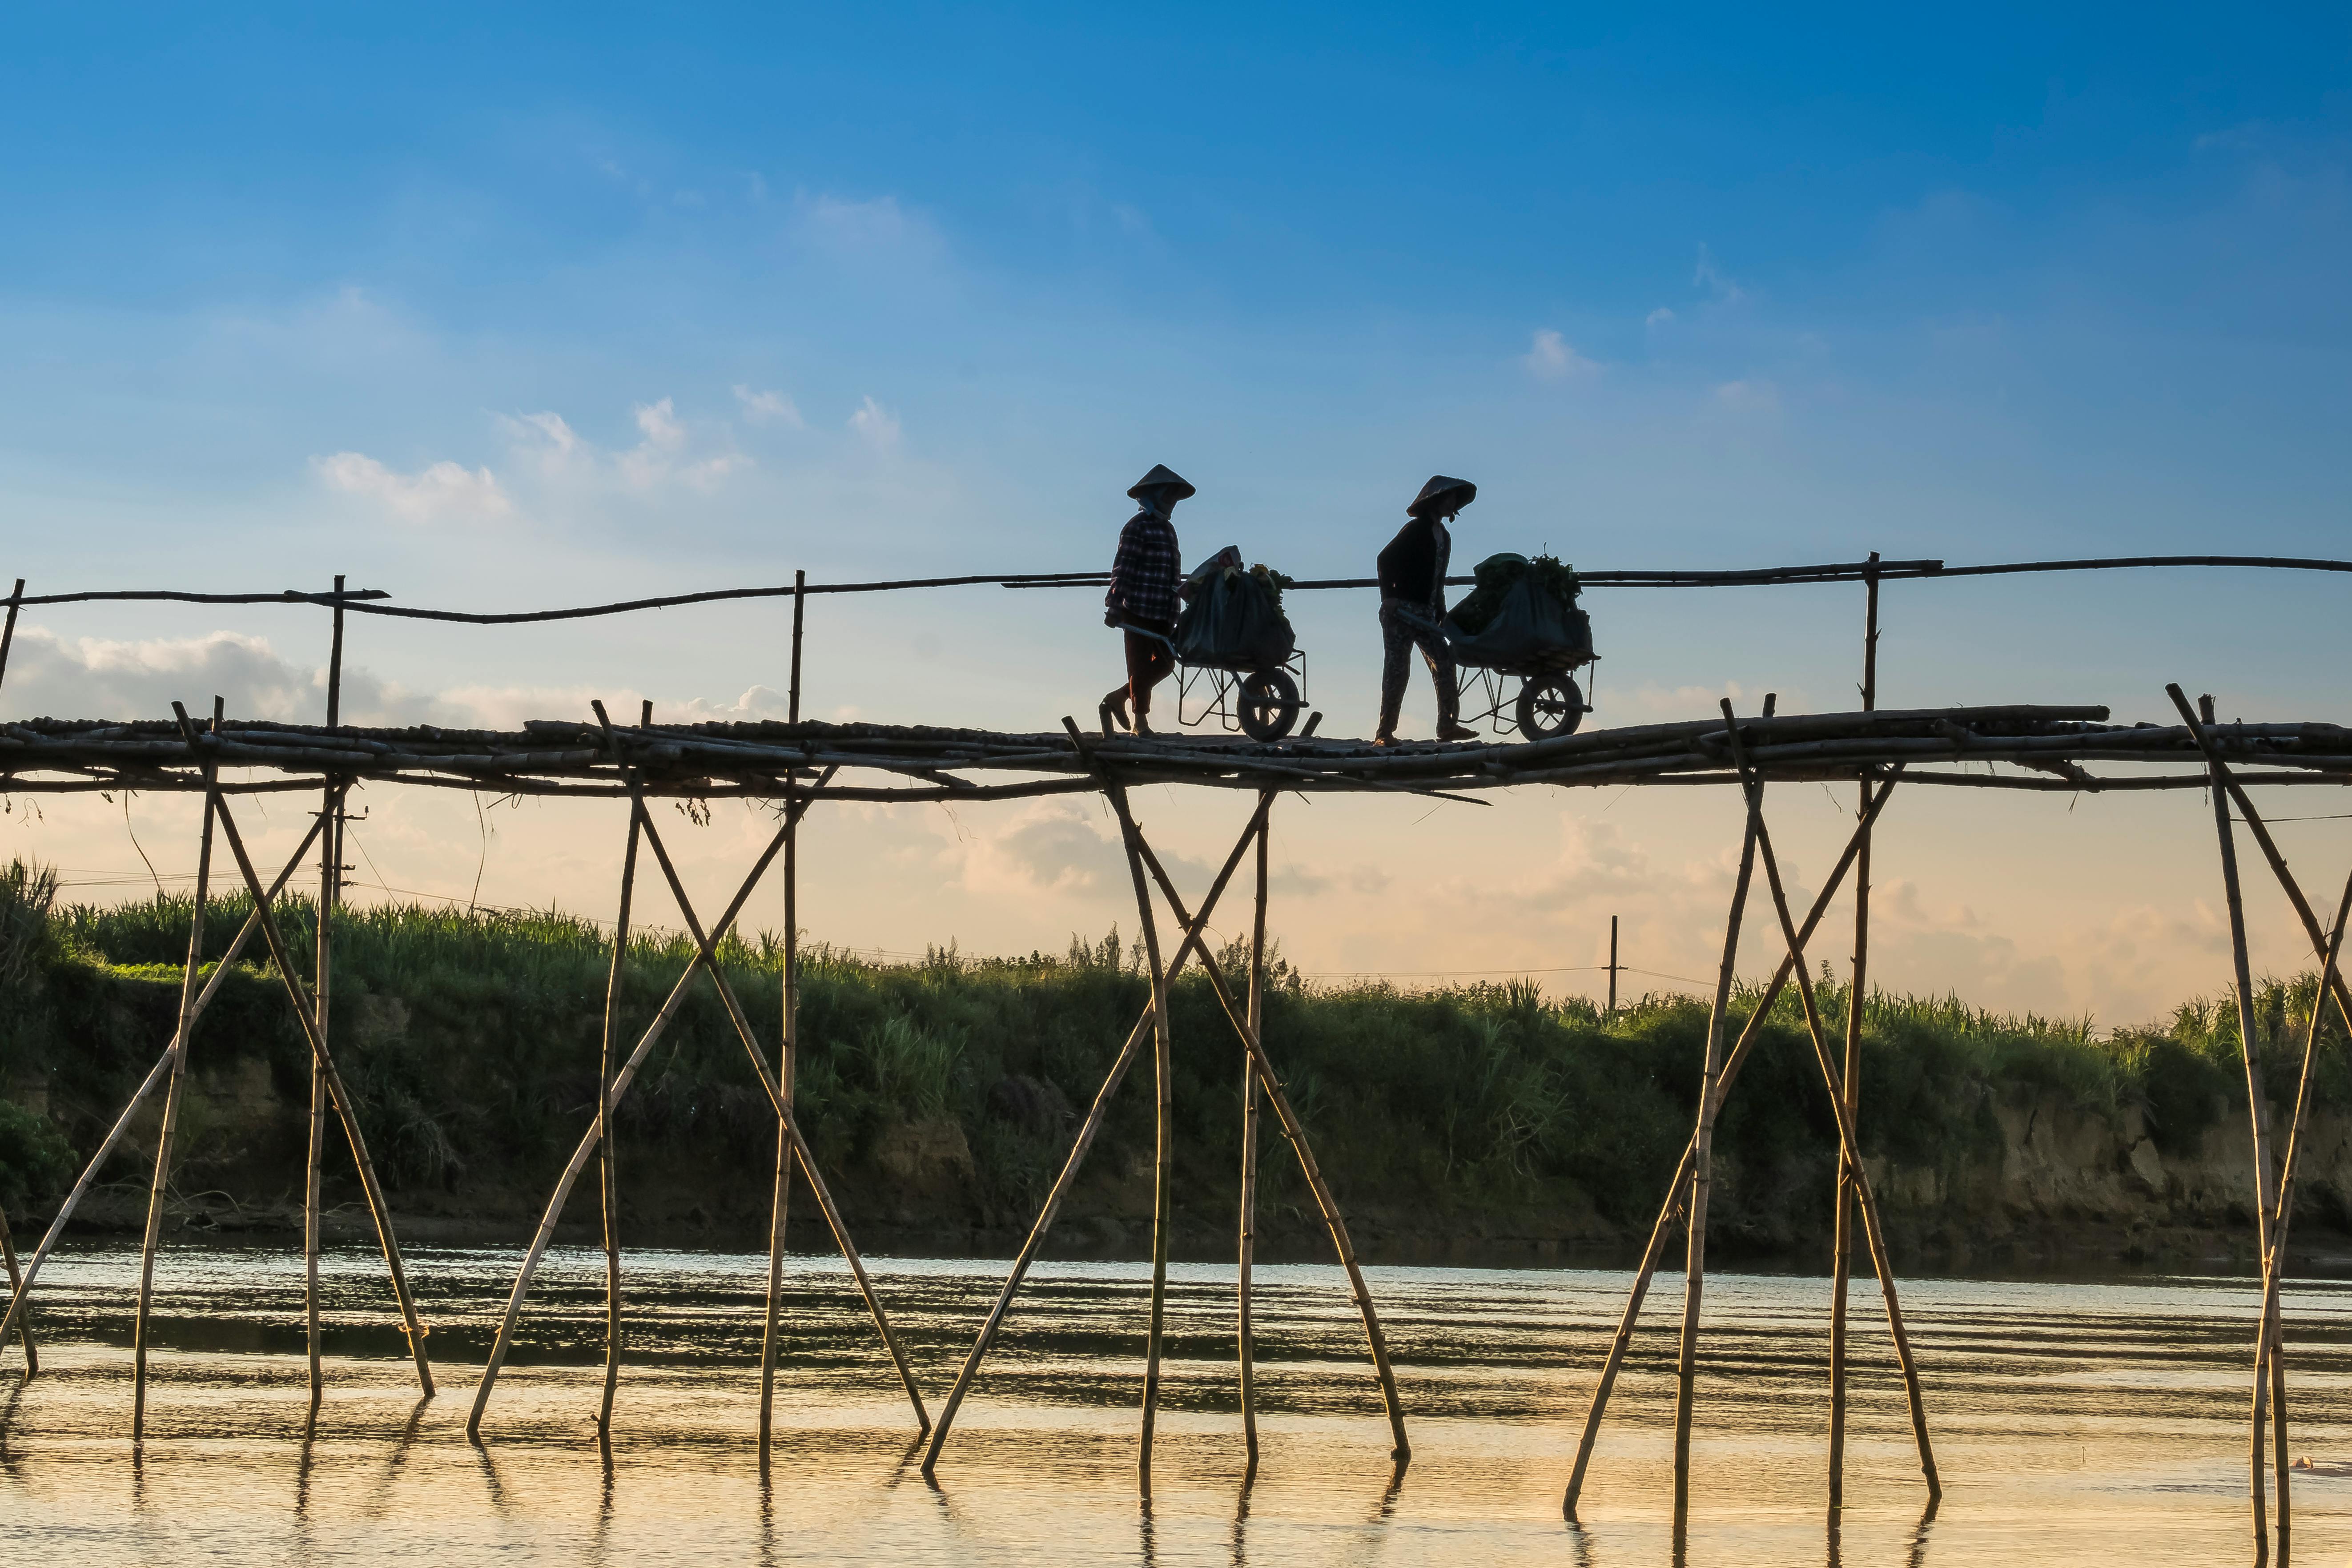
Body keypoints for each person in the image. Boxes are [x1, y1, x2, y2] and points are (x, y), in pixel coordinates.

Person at [1374, 474, 1480, 744]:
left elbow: (1437, 580)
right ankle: (1385, 733)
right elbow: (1385, 559)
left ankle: (1447, 725)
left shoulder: (1444, 535)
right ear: (1435, 501)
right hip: (1401, 611)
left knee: (1444, 662)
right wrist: (1390, 597)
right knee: (1397, 669)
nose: (1452, 503)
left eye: (1455, 499)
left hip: (1425, 613)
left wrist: (1441, 614)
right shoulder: (1415, 530)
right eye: (1449, 497)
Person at [1102, 463, 1192, 734]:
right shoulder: (1137, 527)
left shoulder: (1168, 530)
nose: (1173, 503)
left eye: (1174, 499)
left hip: (1164, 610)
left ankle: (1118, 698)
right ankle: (1141, 723)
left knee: (1166, 664)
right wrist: (1115, 605)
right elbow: (1124, 568)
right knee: (1139, 667)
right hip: (1138, 609)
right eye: (1169, 497)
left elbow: (1171, 574)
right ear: (1154, 496)